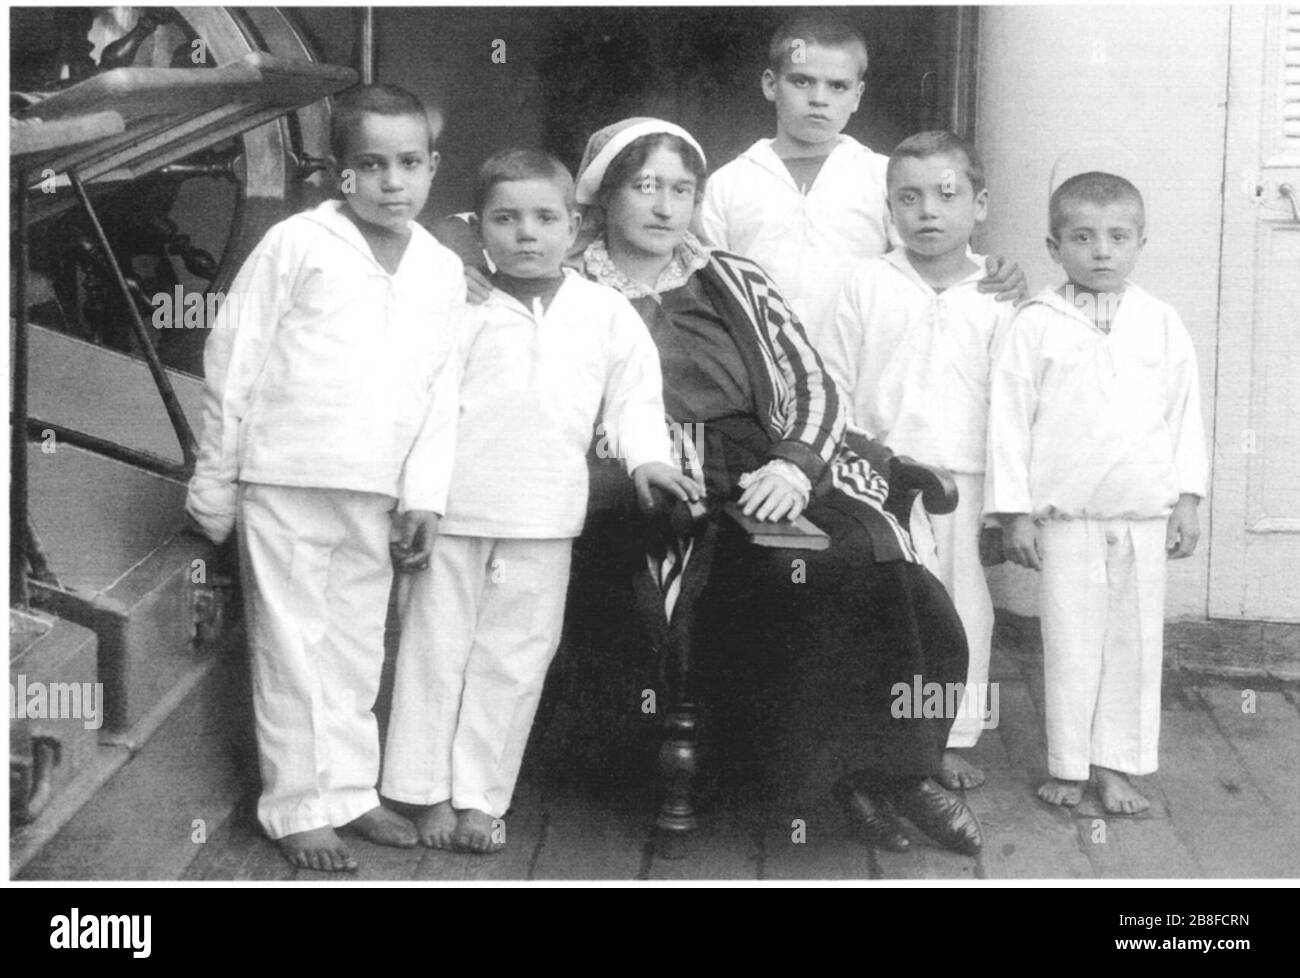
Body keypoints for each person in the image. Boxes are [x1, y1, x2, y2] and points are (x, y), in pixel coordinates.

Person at [569, 116, 984, 855]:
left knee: (887, 564)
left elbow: (811, 380)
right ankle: (831, 781)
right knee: (796, 575)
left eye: (682, 189)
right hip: (659, 476)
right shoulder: (569, 287)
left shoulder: (732, 275)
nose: (666, 207)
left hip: (768, 461)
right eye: (645, 187)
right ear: (604, 196)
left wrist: (794, 463)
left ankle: (900, 770)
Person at [382, 149, 702, 853]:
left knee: (516, 657)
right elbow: (429, 411)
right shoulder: (460, 309)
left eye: (544, 218)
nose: (526, 233)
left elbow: (634, 397)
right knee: (435, 652)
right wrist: (424, 501)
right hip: (456, 513)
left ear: (575, 224)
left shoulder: (605, 312)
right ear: (478, 226)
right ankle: (422, 792)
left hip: (545, 515)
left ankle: (480, 797)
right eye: (506, 218)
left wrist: (648, 458)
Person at [185, 84, 465, 872]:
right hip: (286, 476)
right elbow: (234, 358)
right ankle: (297, 805)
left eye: (409, 163)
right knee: (292, 644)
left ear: (433, 166)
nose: (391, 181)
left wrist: (425, 496)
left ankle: (349, 790)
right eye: (370, 165)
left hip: (375, 490)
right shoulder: (297, 245)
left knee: (350, 644)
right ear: (340, 174)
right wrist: (218, 475)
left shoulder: (441, 271)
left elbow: (443, 392)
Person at [986, 171, 1207, 815]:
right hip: (1068, 519)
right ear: (1054, 247)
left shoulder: (1160, 324)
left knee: (1132, 646)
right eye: (1082, 237)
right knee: (1072, 643)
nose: (1101, 251)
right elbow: (1008, 420)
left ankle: (1118, 765)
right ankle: (1070, 765)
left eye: (1117, 237)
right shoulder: (1035, 324)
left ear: (1141, 242)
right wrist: (1014, 513)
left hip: (1143, 514)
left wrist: (1187, 498)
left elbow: (1184, 415)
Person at [822, 131, 1015, 792]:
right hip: (879, 478)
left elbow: (1017, 404)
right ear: (890, 210)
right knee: (892, 608)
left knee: (961, 609)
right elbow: (835, 382)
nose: (927, 211)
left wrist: (1007, 500)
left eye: (946, 194)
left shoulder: (1002, 296)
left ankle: (947, 737)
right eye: (909, 198)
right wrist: (852, 461)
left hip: (961, 480)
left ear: (979, 204)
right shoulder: (866, 283)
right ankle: (884, 738)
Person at [699, 12, 1024, 347]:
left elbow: (935, 263)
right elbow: (708, 288)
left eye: (837, 86)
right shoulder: (729, 184)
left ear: (857, 95)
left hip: (863, 367)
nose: (819, 98)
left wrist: (990, 271)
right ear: (770, 83)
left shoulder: (885, 176)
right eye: (801, 81)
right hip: (760, 370)